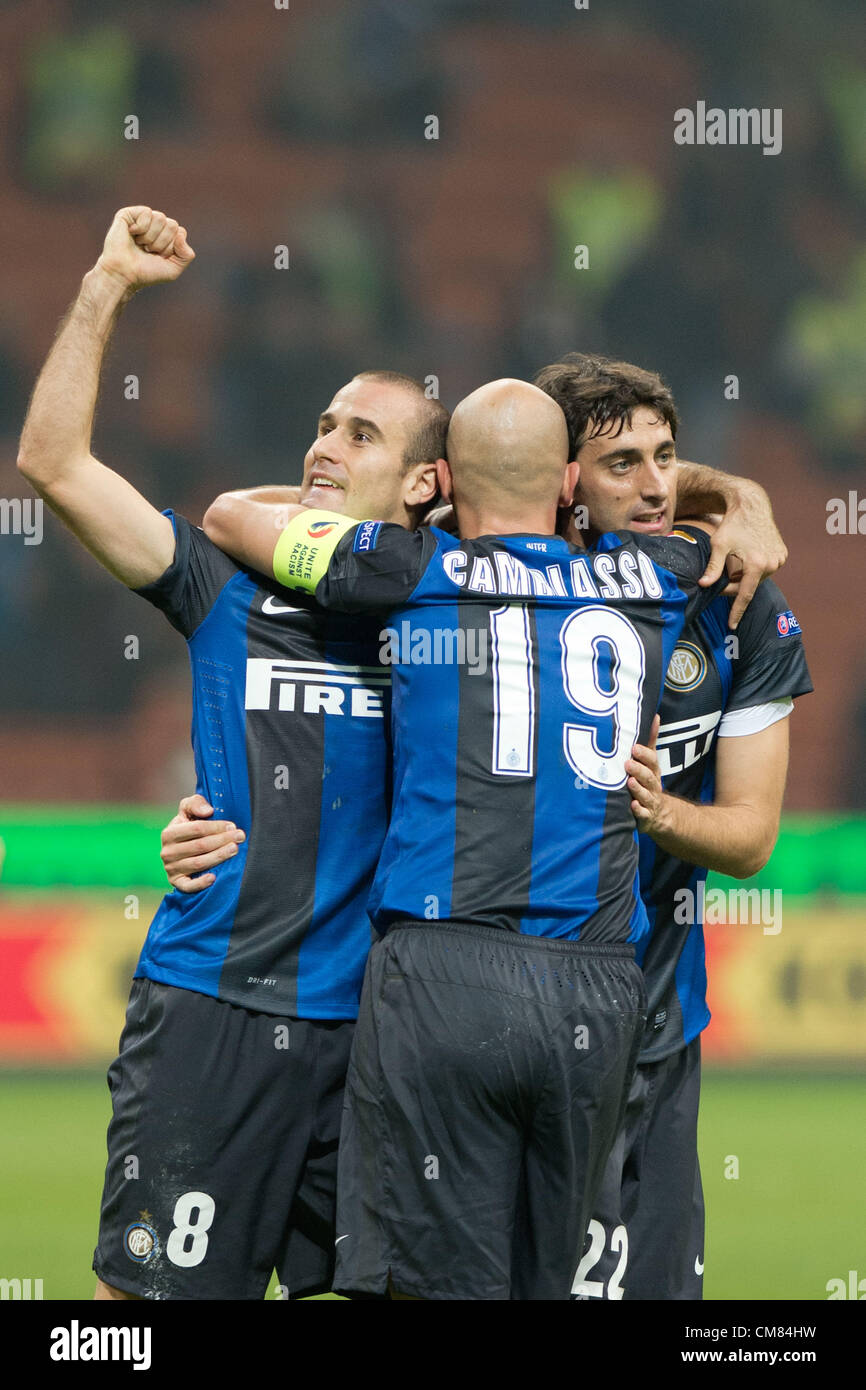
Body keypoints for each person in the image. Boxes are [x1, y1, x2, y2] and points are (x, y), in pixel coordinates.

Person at [199, 376, 736, 1299]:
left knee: (428, 1283)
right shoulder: (659, 574)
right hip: (596, 987)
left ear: (444, 479)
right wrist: (743, 509)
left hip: (445, 976)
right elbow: (717, 526)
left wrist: (396, 510)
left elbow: (227, 520)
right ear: (570, 484)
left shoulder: (410, 569)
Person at [16, 205, 448, 1300]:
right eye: (321, 423)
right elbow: (53, 460)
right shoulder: (224, 591)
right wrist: (108, 283)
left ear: (423, 486)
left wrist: (731, 506)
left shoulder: (460, 616)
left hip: (377, 1038)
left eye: (360, 434)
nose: (321, 444)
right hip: (213, 1009)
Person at [534, 353, 813, 1299]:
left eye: (669, 457)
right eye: (623, 464)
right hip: (517, 1022)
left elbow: (749, 840)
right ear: (562, 479)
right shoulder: (484, 572)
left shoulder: (737, 606)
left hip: (656, 1029)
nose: (656, 486)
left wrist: (658, 812)